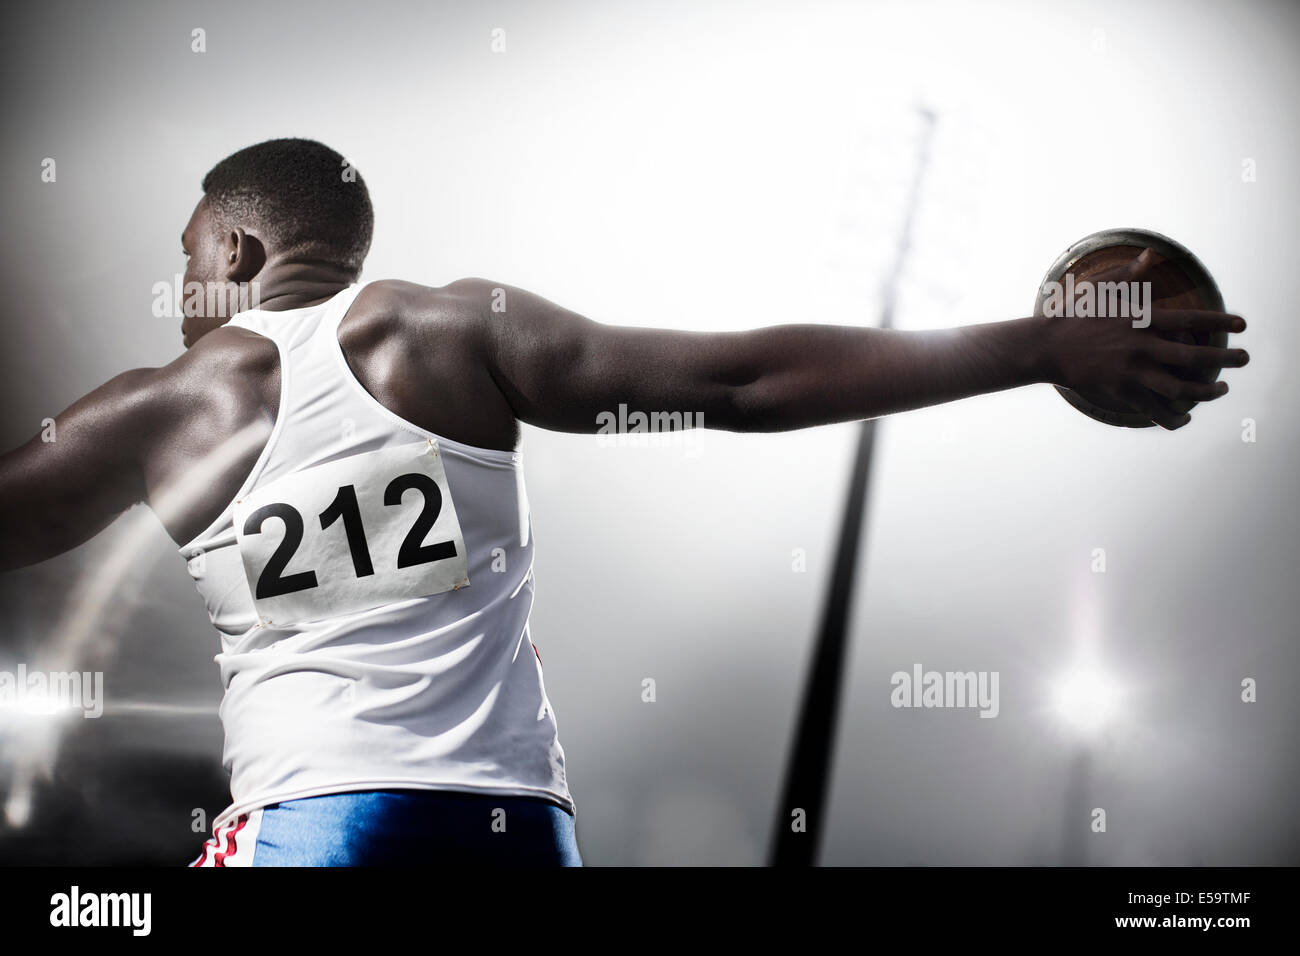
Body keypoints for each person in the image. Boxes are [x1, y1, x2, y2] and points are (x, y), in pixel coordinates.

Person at [0, 138, 1248, 866]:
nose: (178, 285)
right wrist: (1040, 344)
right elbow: (740, 380)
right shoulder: (445, 327)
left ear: (234, 249)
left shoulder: (155, 407)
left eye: (184, 255)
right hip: (517, 829)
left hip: (312, 819)